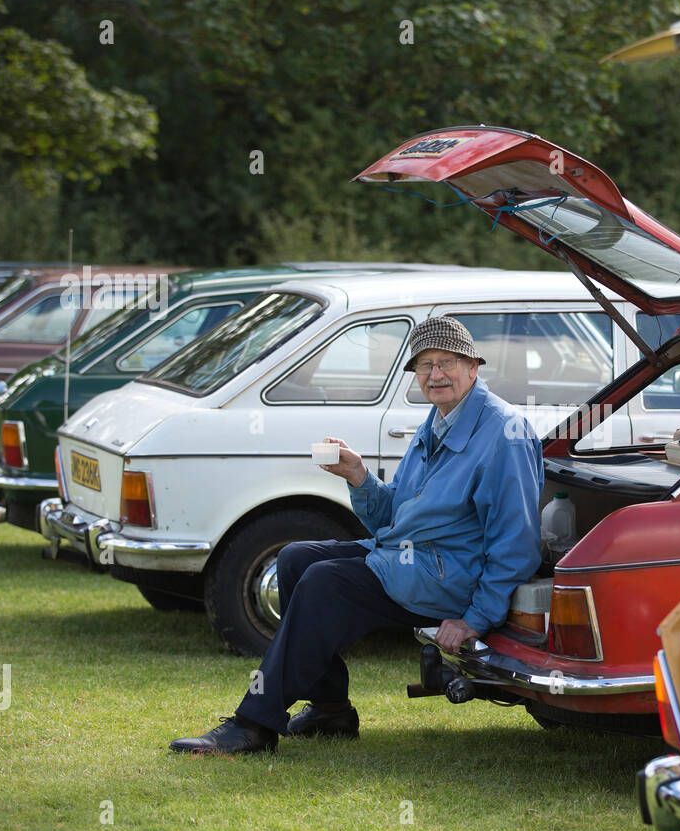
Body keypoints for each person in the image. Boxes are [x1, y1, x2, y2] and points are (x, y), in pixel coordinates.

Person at [170, 316, 544, 754]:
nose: (435, 374)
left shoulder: (505, 433)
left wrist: (474, 619)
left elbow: (516, 544)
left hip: (454, 579)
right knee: (294, 558)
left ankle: (253, 724)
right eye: (425, 365)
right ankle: (331, 710)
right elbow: (396, 516)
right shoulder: (438, 419)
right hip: (412, 559)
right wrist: (359, 475)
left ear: (473, 367)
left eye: (447, 362)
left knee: (324, 583)